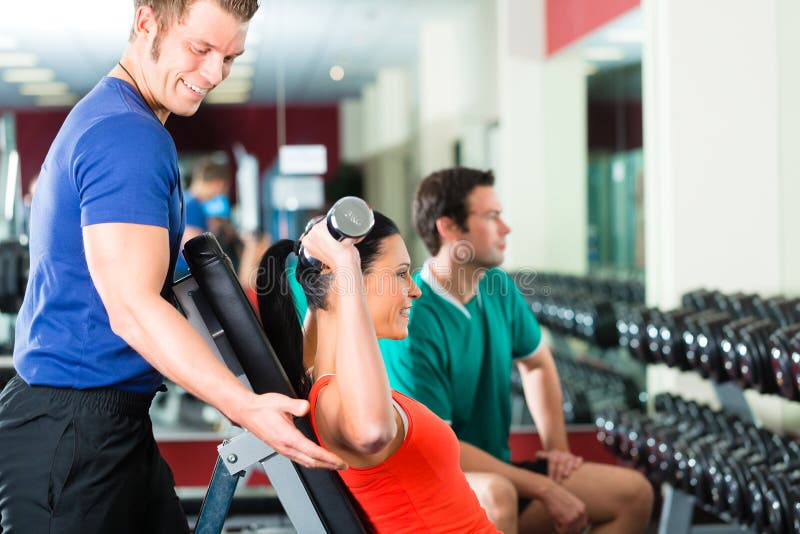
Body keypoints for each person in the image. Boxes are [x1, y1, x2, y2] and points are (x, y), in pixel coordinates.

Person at [0, 1, 344, 532]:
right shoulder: (127, 135)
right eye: (200, 48)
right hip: (72, 431)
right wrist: (242, 405)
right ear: (146, 22)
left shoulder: (120, 121)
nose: (213, 74)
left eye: (229, 57)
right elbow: (132, 308)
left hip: (108, 419)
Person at [380, 167, 654, 534]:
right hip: (438, 482)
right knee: (499, 496)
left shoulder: (497, 287)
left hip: (501, 471)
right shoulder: (413, 315)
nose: (505, 228)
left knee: (634, 494)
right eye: (491, 217)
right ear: (449, 228)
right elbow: (441, 447)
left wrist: (557, 451)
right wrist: (544, 487)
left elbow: (538, 363)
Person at [257, 211, 499, 533]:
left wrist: (328, 266)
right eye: (400, 274)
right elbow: (372, 431)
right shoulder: (335, 400)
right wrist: (344, 268)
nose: (416, 290)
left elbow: (321, 317)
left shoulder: (319, 378)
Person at [174, 157, 232, 277]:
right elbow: (193, 252)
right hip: (185, 275)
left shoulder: (187, 200)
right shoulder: (192, 206)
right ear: (218, 184)